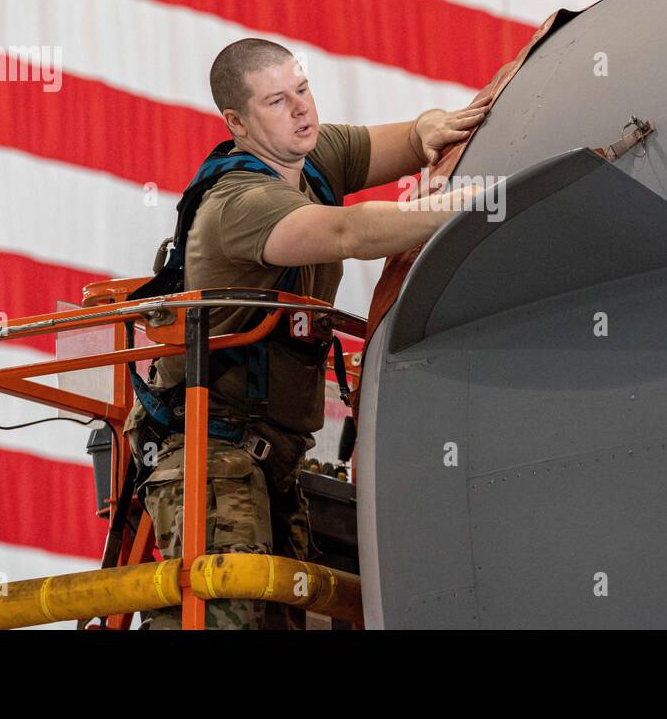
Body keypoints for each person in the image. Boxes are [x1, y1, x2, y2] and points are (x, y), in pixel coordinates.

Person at [125, 37, 489, 629]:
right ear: (237, 124)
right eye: (277, 101)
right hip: (212, 454)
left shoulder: (312, 158)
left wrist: (429, 128)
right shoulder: (238, 203)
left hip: (274, 458)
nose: (301, 110)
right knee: (226, 615)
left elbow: (398, 141)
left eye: (303, 88)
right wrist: (461, 209)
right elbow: (347, 232)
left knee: (282, 616)